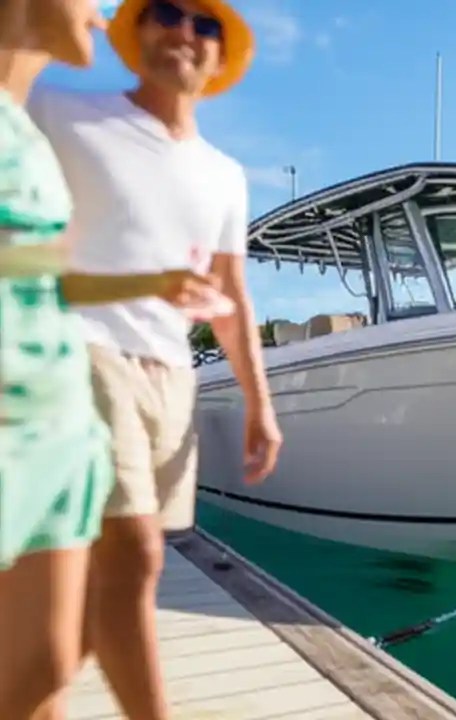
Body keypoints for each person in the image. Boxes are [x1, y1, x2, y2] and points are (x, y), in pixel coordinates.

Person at [27, 0, 283, 717]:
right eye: (167, 12)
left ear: (220, 53)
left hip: (172, 377)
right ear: (136, 32)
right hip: (81, 352)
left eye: (206, 25)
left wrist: (260, 404)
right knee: (137, 558)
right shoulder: (61, 109)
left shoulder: (226, 173)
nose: (184, 31)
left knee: (100, 591)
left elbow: (232, 291)